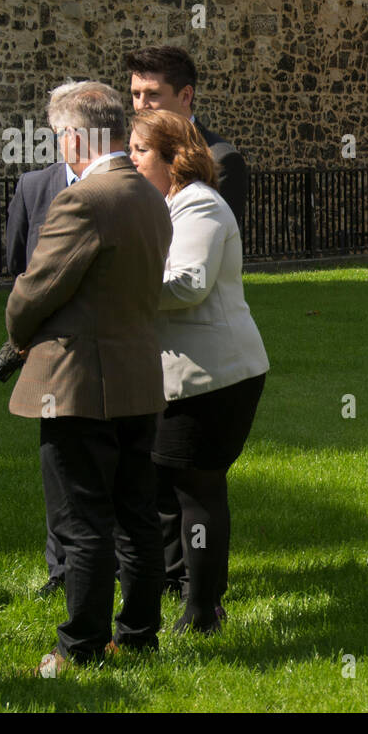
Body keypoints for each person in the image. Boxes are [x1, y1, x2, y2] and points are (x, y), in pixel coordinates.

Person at [5, 82, 173, 669]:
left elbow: (34, 291)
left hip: (76, 382)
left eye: (57, 137)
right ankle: (140, 635)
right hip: (137, 377)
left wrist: (15, 336)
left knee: (82, 521)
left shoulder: (83, 200)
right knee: (136, 517)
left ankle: (80, 648)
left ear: (75, 136)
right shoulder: (152, 196)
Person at [129, 108, 268, 633]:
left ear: (172, 156)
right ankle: (195, 599)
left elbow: (188, 284)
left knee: (198, 489)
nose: (131, 158)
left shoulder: (200, 204)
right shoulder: (169, 203)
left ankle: (203, 611)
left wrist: (119, 290)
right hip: (186, 376)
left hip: (215, 377)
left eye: (140, 150)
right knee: (177, 485)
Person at [6, 155, 74, 598]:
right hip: (50, 351)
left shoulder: (126, 185)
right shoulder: (34, 186)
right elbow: (18, 263)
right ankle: (62, 569)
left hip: (109, 349)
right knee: (60, 467)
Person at [124, 45, 248, 232]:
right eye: (136, 94)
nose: (141, 105)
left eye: (153, 94)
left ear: (185, 96)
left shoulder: (219, 158)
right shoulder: (133, 157)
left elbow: (211, 236)